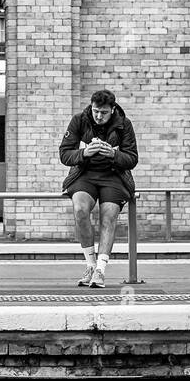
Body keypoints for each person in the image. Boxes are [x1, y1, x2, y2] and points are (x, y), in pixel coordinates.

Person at [59, 88, 139, 288]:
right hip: (84, 175)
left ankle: (101, 270)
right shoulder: (79, 120)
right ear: (91, 107)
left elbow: (132, 159)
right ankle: (90, 265)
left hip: (114, 176)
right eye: (96, 111)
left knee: (109, 215)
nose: (98, 116)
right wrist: (84, 153)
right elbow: (64, 154)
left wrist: (113, 154)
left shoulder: (124, 124)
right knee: (80, 209)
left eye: (103, 112)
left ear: (112, 109)